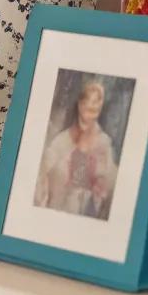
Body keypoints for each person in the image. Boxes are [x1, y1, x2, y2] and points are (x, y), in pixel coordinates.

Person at [34, 80, 118, 219]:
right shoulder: (61, 141)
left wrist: (101, 187)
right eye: (87, 109)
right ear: (80, 105)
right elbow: (42, 173)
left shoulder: (104, 143)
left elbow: (110, 182)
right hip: (59, 210)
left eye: (95, 111)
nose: (90, 116)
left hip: (89, 214)